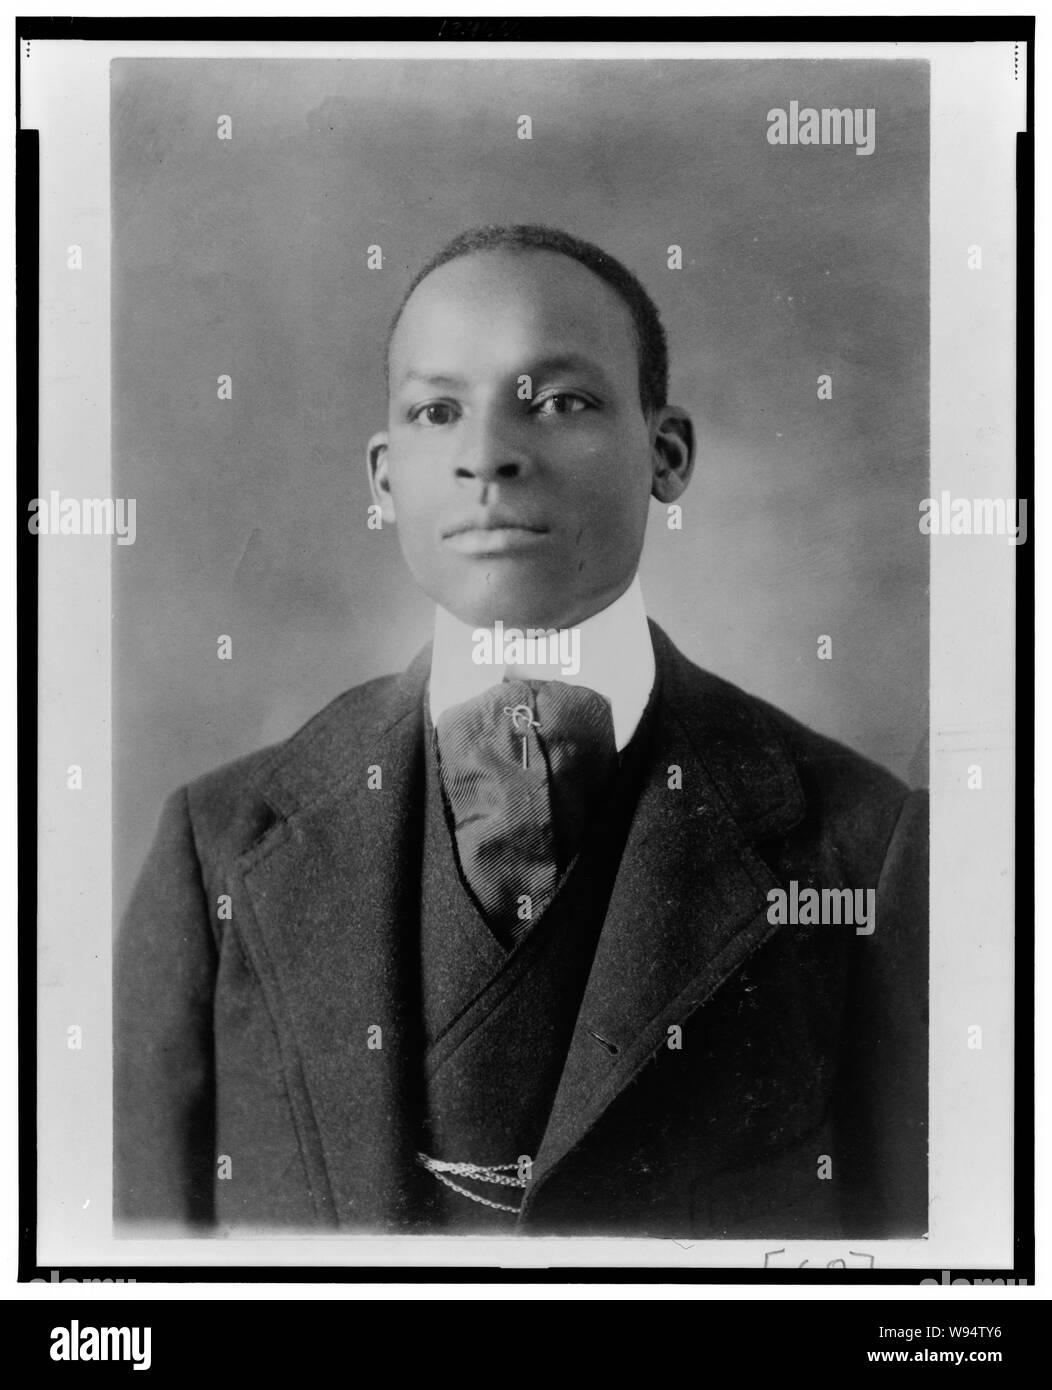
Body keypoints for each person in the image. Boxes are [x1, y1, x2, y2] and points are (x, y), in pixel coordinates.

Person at [116, 224, 927, 1237]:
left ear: (666, 455)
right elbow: (130, 1259)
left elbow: (921, 1269)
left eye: (562, 401)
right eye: (436, 411)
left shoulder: (867, 842)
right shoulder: (215, 849)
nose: (489, 453)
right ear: (383, 477)